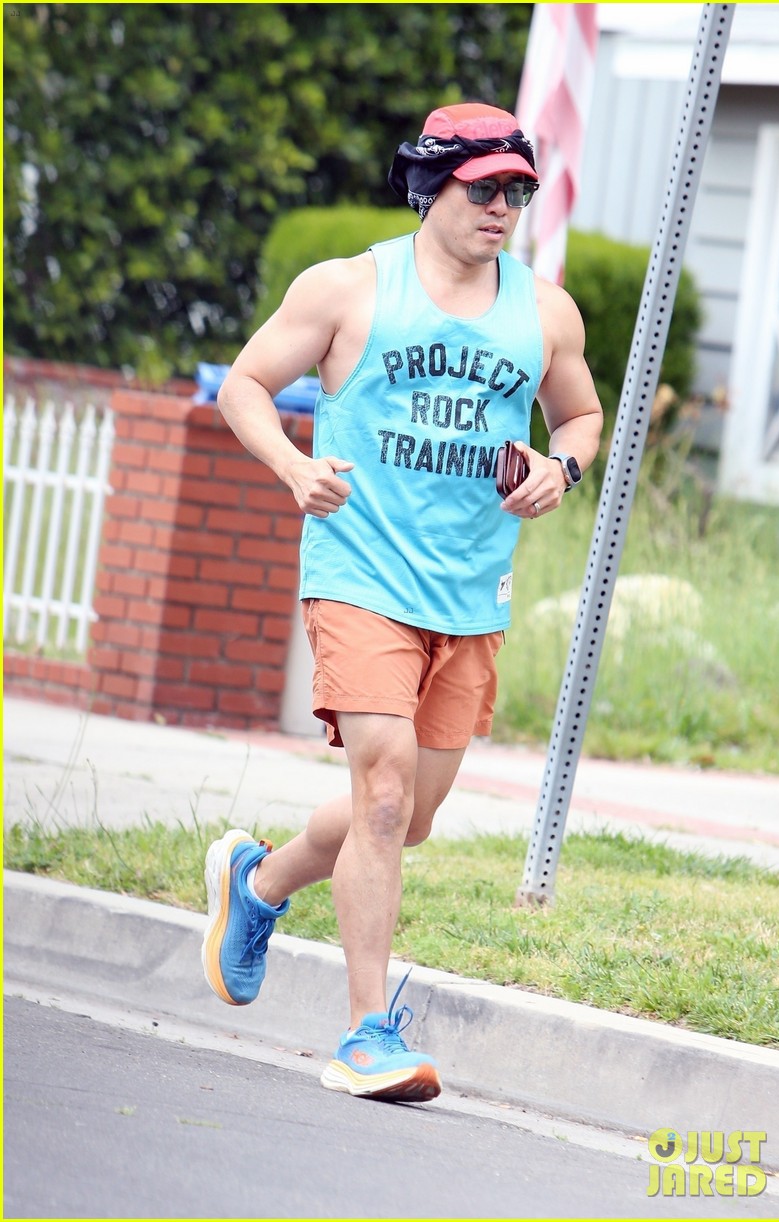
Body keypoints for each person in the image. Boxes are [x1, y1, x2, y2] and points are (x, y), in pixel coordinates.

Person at [202, 102, 603, 1103]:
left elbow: (582, 414)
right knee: (379, 794)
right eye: (485, 189)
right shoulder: (348, 289)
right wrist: (295, 469)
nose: (504, 208)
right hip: (360, 573)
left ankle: (257, 884)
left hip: (470, 591)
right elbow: (245, 386)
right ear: (433, 186)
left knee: (407, 817)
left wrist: (560, 467)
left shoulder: (544, 311)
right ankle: (367, 1033)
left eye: (518, 190)